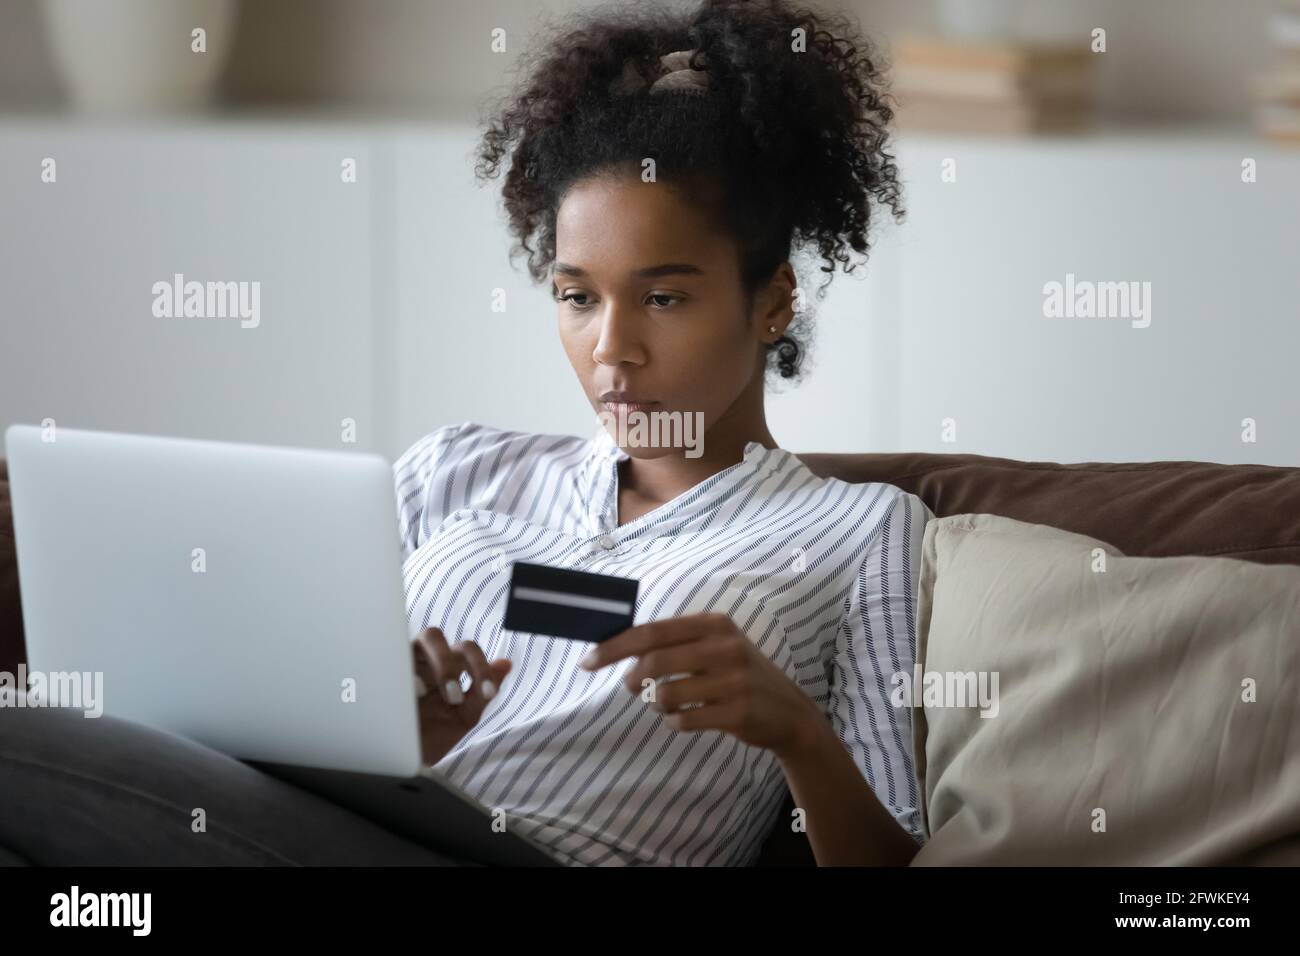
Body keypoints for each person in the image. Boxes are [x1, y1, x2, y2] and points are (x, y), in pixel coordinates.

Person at [0, 0, 929, 867]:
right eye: (576, 297)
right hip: (355, 817)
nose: (613, 348)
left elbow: (897, 858)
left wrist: (795, 730)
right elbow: (292, 697)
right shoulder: (458, 467)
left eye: (664, 297)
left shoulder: (860, 533)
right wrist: (391, 727)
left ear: (771, 303)